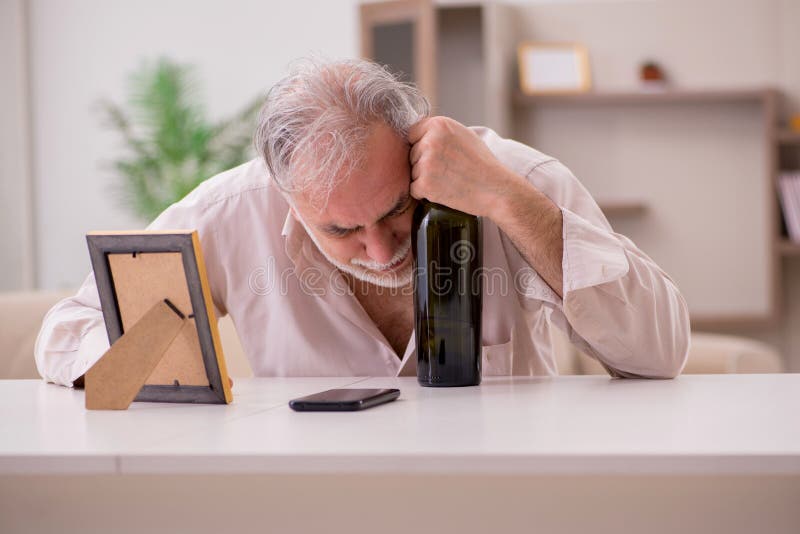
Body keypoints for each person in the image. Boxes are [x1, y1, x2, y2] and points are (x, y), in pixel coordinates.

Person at [35, 58, 690, 387]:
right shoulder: (231, 211)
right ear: (285, 195)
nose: (378, 251)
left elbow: (659, 353)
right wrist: (158, 366)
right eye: (340, 231)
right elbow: (69, 333)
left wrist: (508, 201)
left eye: (396, 211)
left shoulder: (515, 181)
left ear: (417, 145)